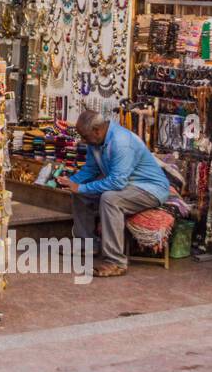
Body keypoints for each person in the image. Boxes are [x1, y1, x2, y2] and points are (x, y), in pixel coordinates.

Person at [56, 110, 171, 278]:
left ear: (97, 130)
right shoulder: (95, 142)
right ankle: (87, 244)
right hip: (128, 185)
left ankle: (116, 262)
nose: (83, 140)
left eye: (85, 136)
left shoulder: (121, 142)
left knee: (110, 199)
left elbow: (117, 183)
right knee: (80, 192)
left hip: (149, 189)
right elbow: (91, 168)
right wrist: (71, 182)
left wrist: (80, 187)